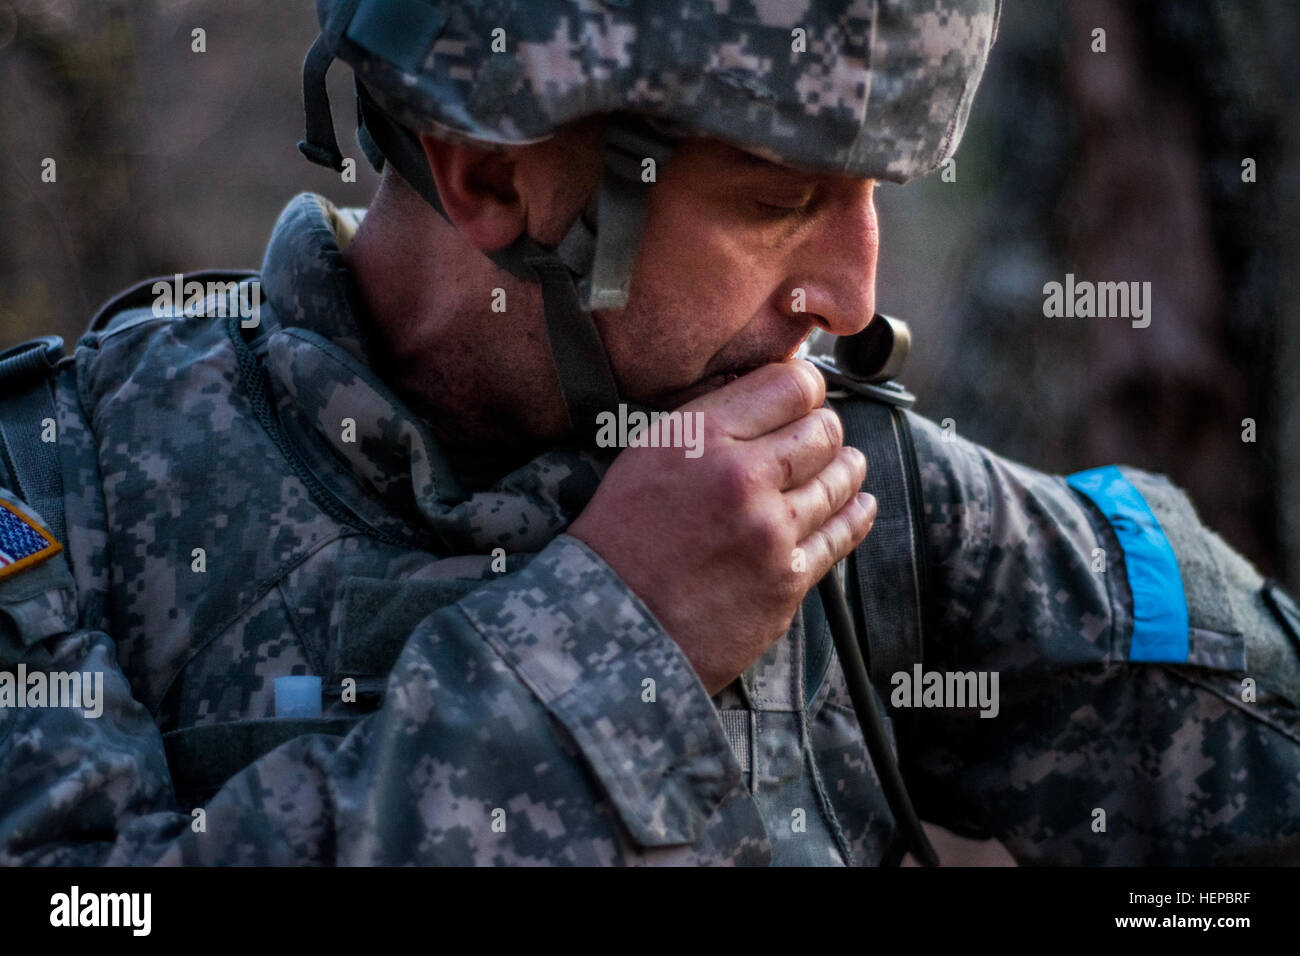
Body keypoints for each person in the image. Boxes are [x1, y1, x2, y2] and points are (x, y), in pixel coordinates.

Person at [1, 0, 1298, 866]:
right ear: (493, 174)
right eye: (777, 200)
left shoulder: (850, 505)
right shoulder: (65, 499)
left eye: (875, 198)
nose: (853, 296)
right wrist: (616, 645)